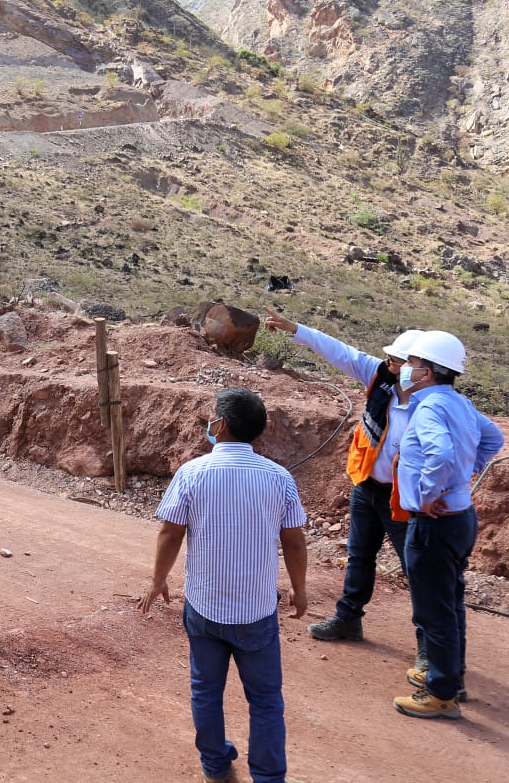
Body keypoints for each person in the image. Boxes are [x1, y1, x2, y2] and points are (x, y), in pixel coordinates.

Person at [140, 387, 308, 783]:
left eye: (212, 416)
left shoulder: (192, 473)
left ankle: (216, 766)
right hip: (257, 611)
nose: (208, 423)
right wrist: (300, 589)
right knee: (266, 701)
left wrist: (158, 580)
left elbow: (170, 532)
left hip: (204, 607)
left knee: (205, 691)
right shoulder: (278, 478)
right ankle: (269, 777)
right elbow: (294, 540)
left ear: (221, 425)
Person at [261, 310, 421, 651]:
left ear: (420, 368)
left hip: (404, 497)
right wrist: (297, 330)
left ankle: (430, 645)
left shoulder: (432, 405)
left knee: (417, 570)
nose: (390, 365)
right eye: (391, 359)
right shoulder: (380, 377)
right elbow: (339, 351)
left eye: (397, 362)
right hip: (367, 485)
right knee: (360, 554)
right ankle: (349, 618)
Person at [390, 330, 503, 719]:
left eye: (413, 364)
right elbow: (494, 438)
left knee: (434, 611)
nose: (407, 368)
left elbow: (439, 452)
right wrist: (461, 479)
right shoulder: (459, 403)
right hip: (460, 518)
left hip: (433, 524)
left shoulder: (429, 408)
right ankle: (450, 678)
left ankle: (441, 693)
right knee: (450, 604)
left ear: (428, 372)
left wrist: (426, 494)